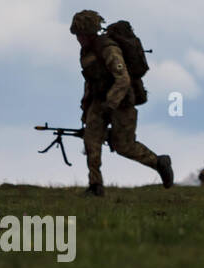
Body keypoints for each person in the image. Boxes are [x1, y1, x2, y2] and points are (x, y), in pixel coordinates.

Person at [71, 10, 173, 196]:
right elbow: (90, 80)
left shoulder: (108, 48)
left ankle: (159, 162)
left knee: (124, 146)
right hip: (99, 101)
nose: (79, 38)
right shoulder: (86, 52)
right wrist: (87, 107)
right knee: (91, 140)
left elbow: (123, 79)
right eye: (77, 34)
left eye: (82, 34)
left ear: (90, 32)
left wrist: (110, 104)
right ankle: (96, 186)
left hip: (122, 103)